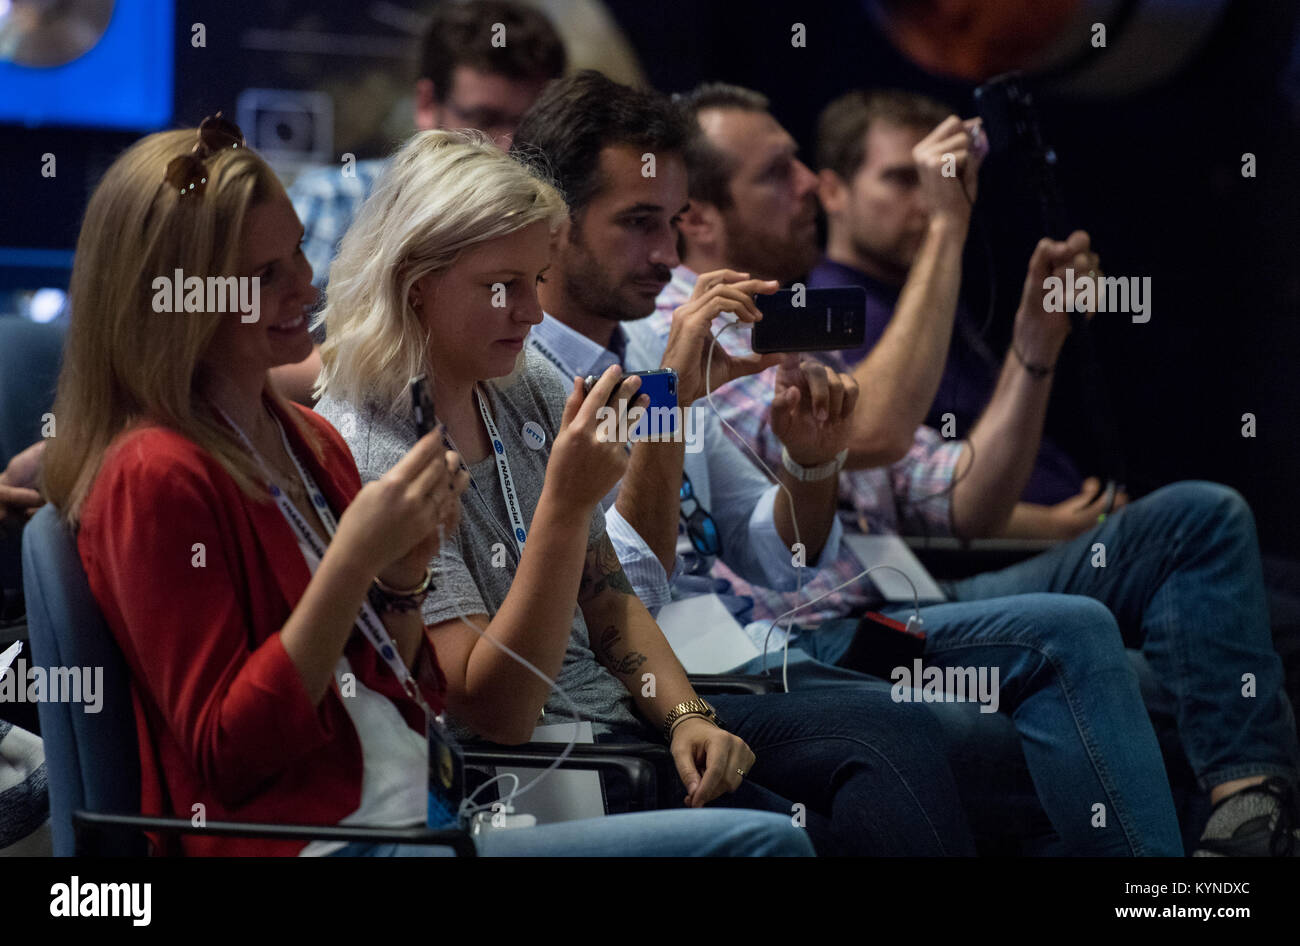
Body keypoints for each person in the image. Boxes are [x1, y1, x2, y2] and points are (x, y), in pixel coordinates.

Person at [36, 117, 811, 858]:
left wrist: (401, 584)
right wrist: (361, 564)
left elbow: (402, 677)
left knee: (831, 786)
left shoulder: (300, 439)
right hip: (330, 834)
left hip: (427, 800)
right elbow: (233, 755)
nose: (306, 286)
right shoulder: (163, 473)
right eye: (263, 274)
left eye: (301, 254)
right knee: (770, 836)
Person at [662, 81, 1300, 856]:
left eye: (800, 163)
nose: (806, 186)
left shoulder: (792, 316)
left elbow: (968, 501)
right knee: (1149, 671)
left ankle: (1246, 815)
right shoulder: (691, 327)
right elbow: (879, 427)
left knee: (1199, 519)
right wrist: (947, 226)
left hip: (914, 590)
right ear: (694, 217)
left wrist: (1034, 350)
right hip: (844, 633)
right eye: (776, 173)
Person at [315, 126, 978, 856]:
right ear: (417, 285)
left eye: (537, 281)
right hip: (527, 771)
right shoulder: (369, 448)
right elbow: (500, 710)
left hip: (628, 721)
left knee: (862, 789)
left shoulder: (521, 375)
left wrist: (687, 715)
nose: (533, 313)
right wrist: (568, 510)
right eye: (503, 287)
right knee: (809, 821)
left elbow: (616, 597)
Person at [814, 88, 1092, 520]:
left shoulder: (922, 289)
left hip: (1055, 509)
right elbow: (895, 498)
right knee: (1200, 517)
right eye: (903, 179)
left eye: (937, 179)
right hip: (988, 552)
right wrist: (1055, 526)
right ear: (832, 192)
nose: (927, 202)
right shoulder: (830, 311)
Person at [273, 0, 568, 403]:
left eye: (526, 124)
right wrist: (410, 362)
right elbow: (241, 361)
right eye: (484, 119)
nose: (507, 146)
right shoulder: (331, 201)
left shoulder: (556, 221)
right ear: (427, 104)